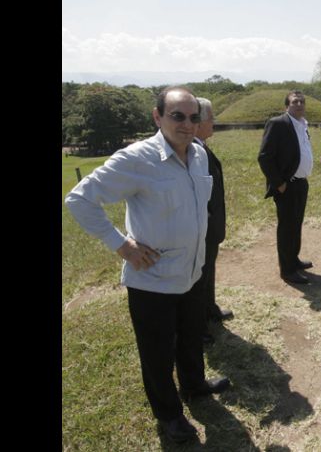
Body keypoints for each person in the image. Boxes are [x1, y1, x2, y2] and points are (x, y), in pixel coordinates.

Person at [65, 86, 231, 444]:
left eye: (193, 117)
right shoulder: (136, 159)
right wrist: (121, 245)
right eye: (177, 116)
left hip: (193, 271)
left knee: (190, 337)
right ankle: (169, 416)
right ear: (157, 117)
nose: (187, 124)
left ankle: (194, 385)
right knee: (157, 353)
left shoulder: (199, 154)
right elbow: (79, 200)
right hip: (152, 279)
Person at [257, 90, 314, 285]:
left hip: (301, 183)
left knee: (296, 224)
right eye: (295, 102)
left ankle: (294, 259)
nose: (299, 104)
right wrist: (279, 183)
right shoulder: (278, 123)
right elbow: (264, 157)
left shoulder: (303, 124)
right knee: (287, 227)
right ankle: (287, 270)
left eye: (302, 101)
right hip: (287, 185)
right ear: (286, 106)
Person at [193, 98, 233, 346]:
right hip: (202, 228)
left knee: (208, 272)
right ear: (198, 122)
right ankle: (197, 326)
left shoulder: (201, 146)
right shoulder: (192, 152)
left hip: (211, 227)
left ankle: (209, 310)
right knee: (199, 277)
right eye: (211, 119)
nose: (214, 123)